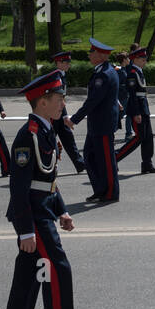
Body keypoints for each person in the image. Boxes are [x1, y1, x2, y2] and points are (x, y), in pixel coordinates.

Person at [0, 70, 90, 309]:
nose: (65, 102)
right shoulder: (29, 136)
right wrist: (25, 230)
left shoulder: (47, 130)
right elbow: (20, 187)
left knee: (28, 280)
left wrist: (61, 209)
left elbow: (47, 178)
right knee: (58, 272)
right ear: (42, 102)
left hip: (44, 211)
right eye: (60, 98)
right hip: (33, 218)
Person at [69, 38, 120, 203]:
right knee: (90, 157)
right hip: (97, 123)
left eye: (92, 52)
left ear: (102, 55)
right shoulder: (103, 70)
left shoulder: (104, 74)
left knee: (106, 160)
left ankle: (111, 192)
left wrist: (74, 119)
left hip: (102, 124)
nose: (89, 55)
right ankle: (100, 189)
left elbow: (93, 101)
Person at [115, 46, 155, 174]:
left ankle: (147, 164)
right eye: (142, 58)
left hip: (144, 109)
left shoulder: (138, 71)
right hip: (137, 110)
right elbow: (132, 95)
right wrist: (136, 113)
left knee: (148, 137)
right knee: (139, 137)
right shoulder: (132, 74)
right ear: (135, 59)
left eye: (145, 58)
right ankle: (116, 157)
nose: (145, 60)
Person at [50, 51, 87, 174]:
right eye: (66, 62)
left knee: (68, 139)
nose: (68, 65)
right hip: (54, 114)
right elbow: (58, 98)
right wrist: (65, 116)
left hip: (59, 113)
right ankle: (43, 165)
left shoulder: (61, 75)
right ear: (58, 63)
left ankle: (80, 164)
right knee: (49, 141)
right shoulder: (56, 76)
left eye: (69, 62)